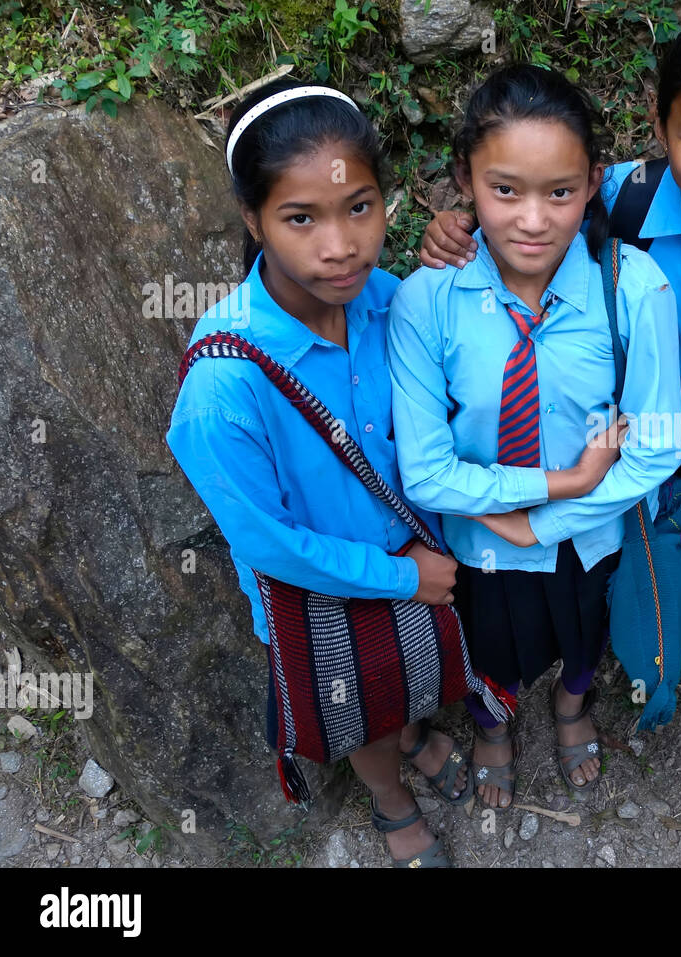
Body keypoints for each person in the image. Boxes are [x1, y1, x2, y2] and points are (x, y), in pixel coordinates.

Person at [419, 20, 681, 702]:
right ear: (659, 126)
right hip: (646, 430)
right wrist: (453, 228)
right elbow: (536, 213)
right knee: (661, 555)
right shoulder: (619, 199)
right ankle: (659, 641)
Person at [167, 78, 467, 867]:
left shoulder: (384, 301)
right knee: (363, 708)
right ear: (251, 218)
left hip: (415, 552)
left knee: (410, 675)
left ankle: (415, 734)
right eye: (302, 218)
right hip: (324, 589)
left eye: (359, 208)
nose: (341, 246)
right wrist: (404, 580)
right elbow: (270, 544)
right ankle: (391, 798)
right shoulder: (223, 388)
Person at [387, 63, 681, 809]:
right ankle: (492, 724)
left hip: (589, 532)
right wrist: (548, 491)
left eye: (559, 191)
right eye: (505, 190)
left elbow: (655, 443)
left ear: (592, 185)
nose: (531, 218)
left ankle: (573, 706)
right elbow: (424, 470)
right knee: (490, 647)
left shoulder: (634, 290)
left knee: (583, 636)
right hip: (482, 539)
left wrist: (548, 520)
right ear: (466, 180)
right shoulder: (426, 301)